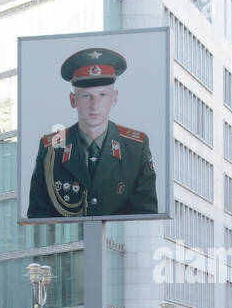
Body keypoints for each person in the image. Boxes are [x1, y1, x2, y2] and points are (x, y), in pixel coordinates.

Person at [27, 47, 158, 218]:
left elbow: (146, 216)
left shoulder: (135, 147)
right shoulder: (51, 148)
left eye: (103, 95)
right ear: (73, 100)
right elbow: (38, 216)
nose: (95, 105)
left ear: (114, 97)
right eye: (86, 96)